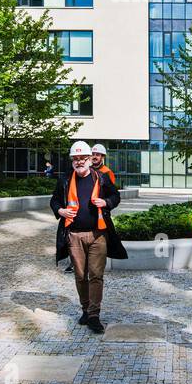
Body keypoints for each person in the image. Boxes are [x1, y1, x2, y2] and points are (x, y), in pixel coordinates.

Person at [51, 140, 127, 333]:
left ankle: (94, 315)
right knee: (79, 276)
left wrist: (106, 202)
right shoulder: (65, 180)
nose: (79, 162)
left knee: (95, 275)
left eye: (82, 158)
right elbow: (55, 200)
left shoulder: (101, 178)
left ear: (89, 159)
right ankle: (85, 309)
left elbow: (115, 196)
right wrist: (60, 211)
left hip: (98, 235)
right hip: (74, 235)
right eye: (75, 159)